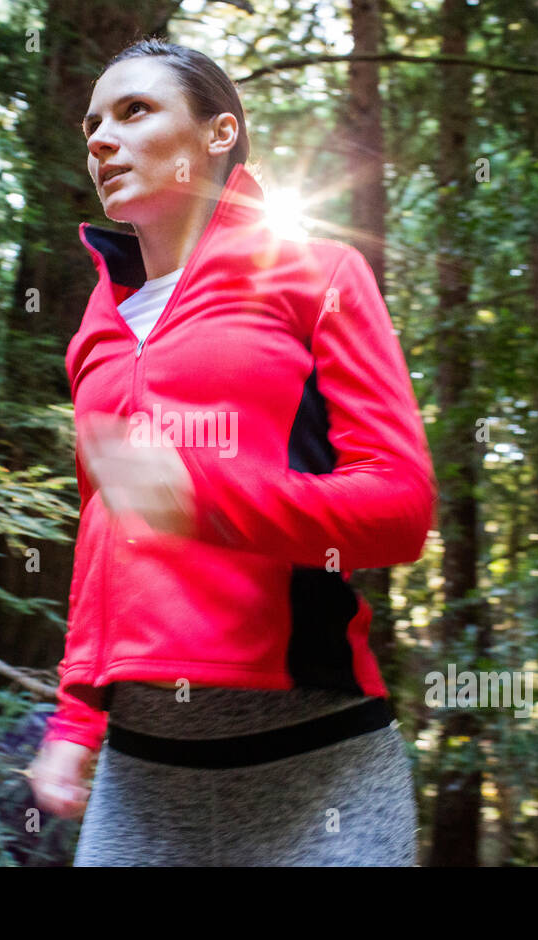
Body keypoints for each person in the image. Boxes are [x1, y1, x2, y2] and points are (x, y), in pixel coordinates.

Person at [25, 36, 438, 865]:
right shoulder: (94, 331)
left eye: (136, 111)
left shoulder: (316, 273)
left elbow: (400, 508)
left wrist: (204, 497)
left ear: (219, 134)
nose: (102, 138)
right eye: (92, 123)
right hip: (142, 774)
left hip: (316, 759)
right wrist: (76, 716)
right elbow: (101, 535)